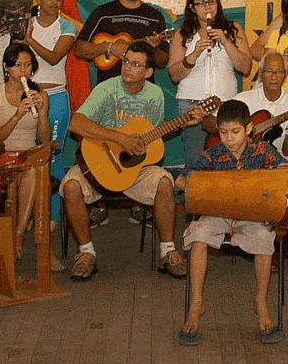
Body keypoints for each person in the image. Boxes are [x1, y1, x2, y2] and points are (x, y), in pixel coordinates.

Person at [62, 41, 199, 279]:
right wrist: (120, 138)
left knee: (165, 183)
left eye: (135, 64)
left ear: (148, 72)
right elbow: (76, 124)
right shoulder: (106, 89)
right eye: (125, 61)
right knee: (71, 187)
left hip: (134, 170)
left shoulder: (155, 95)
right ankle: (86, 253)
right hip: (97, 166)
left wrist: (183, 121)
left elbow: (150, 135)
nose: (127, 68)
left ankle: (168, 252)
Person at [179, 100, 288, 346]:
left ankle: (261, 302)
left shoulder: (263, 150)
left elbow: (285, 169)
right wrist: (199, 184)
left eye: (235, 132)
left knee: (264, 239)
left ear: (249, 129)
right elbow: (184, 181)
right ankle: (195, 304)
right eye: (223, 132)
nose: (229, 139)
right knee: (198, 236)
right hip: (216, 214)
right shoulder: (212, 154)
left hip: (251, 215)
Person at [0, 42, 52, 269]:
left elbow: (44, 139)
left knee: (32, 169)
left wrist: (41, 112)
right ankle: (15, 237)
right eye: (17, 65)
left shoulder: (39, 93)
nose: (23, 70)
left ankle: (19, 235)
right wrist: (16, 115)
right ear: (6, 67)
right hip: (2, 157)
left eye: (28, 65)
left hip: (27, 156)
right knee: (29, 171)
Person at [169, 0, 252, 167]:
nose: (207, 7)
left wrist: (225, 40)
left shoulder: (233, 29)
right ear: (192, 7)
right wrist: (194, 54)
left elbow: (245, 67)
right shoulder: (182, 34)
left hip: (225, 104)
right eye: (201, 3)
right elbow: (174, 75)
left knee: (228, 162)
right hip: (191, 105)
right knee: (197, 163)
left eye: (211, 1)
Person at [21, 0, 78, 185]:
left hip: (56, 98)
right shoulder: (26, 25)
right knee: (26, 155)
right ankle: (30, 213)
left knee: (53, 156)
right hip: (27, 96)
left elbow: (54, 58)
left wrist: (29, 40)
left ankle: (53, 216)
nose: (54, 2)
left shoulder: (67, 26)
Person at [73, 0, 170, 80]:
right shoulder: (102, 13)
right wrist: (109, 47)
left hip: (142, 90)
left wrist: (154, 47)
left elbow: (162, 62)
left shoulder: (155, 17)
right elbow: (79, 49)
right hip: (107, 89)